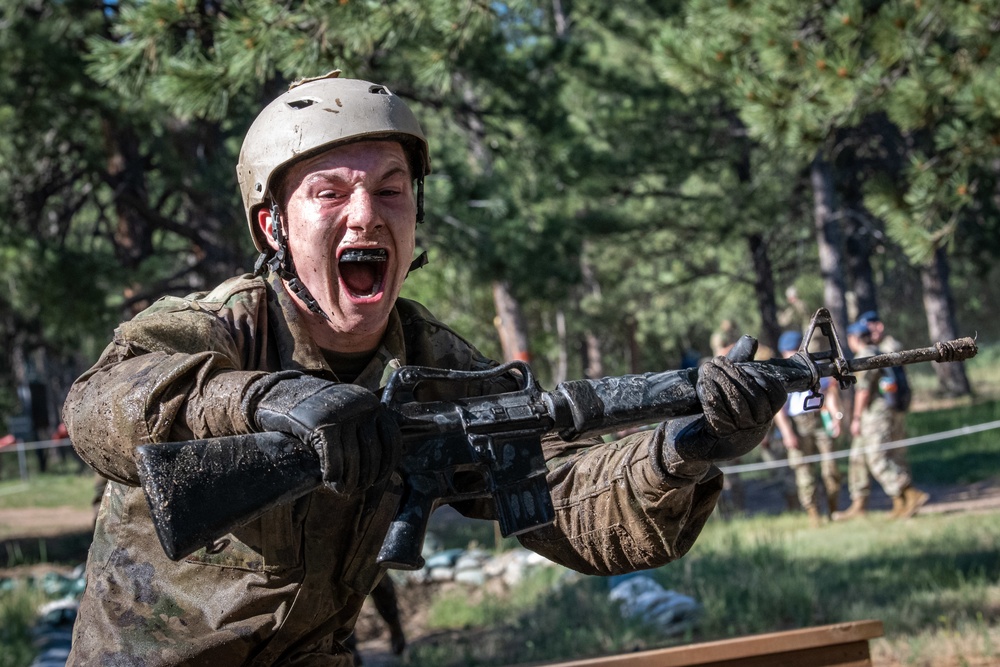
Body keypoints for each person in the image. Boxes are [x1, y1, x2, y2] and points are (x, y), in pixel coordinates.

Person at [61, 72, 786, 666]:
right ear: (272, 225)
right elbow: (99, 406)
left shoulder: (436, 364)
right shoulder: (218, 327)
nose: (366, 215)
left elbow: (564, 494)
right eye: (329, 193)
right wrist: (265, 399)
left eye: (390, 188)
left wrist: (682, 452)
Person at [833, 317, 928, 522]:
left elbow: (864, 391)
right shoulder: (878, 351)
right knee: (862, 457)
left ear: (853, 338)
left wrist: (856, 418)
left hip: (875, 414)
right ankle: (897, 504)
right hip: (885, 412)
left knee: (877, 458)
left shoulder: (866, 356)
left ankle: (909, 493)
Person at [770, 330, 843, 526]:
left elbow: (830, 391)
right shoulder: (781, 373)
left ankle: (833, 507)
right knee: (804, 472)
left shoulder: (815, 368)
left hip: (819, 419)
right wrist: (787, 433)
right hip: (797, 423)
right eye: (788, 352)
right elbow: (779, 410)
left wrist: (836, 417)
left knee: (831, 468)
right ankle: (813, 512)